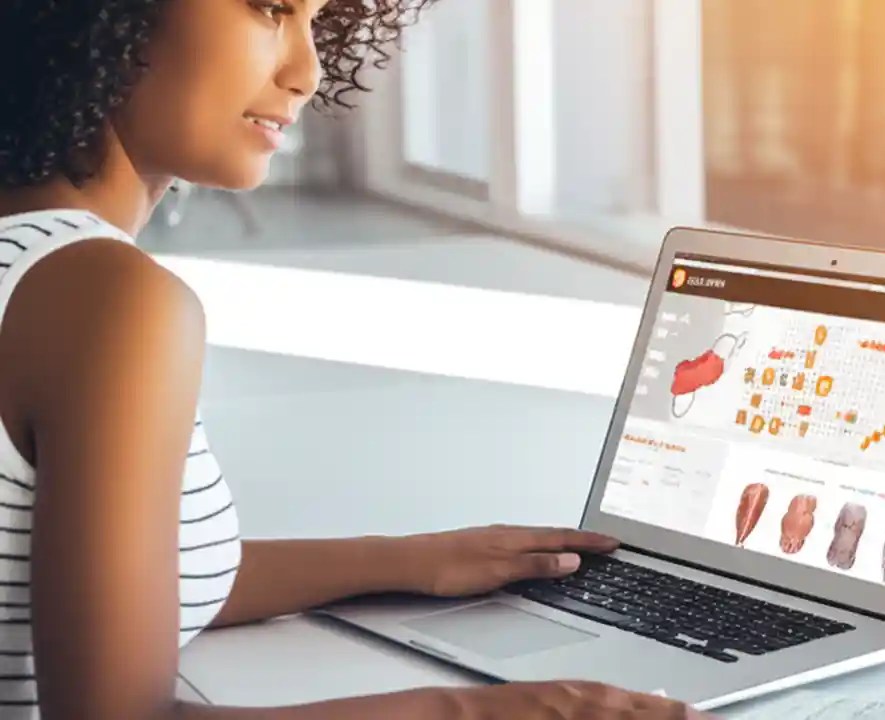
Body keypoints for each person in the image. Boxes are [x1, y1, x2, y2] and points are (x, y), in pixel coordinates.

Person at [0, 2, 709, 718]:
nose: (306, 72)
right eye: (272, 9)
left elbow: (123, 576)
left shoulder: (28, 259)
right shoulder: (106, 299)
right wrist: (489, 711)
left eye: (318, 20)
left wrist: (404, 561)